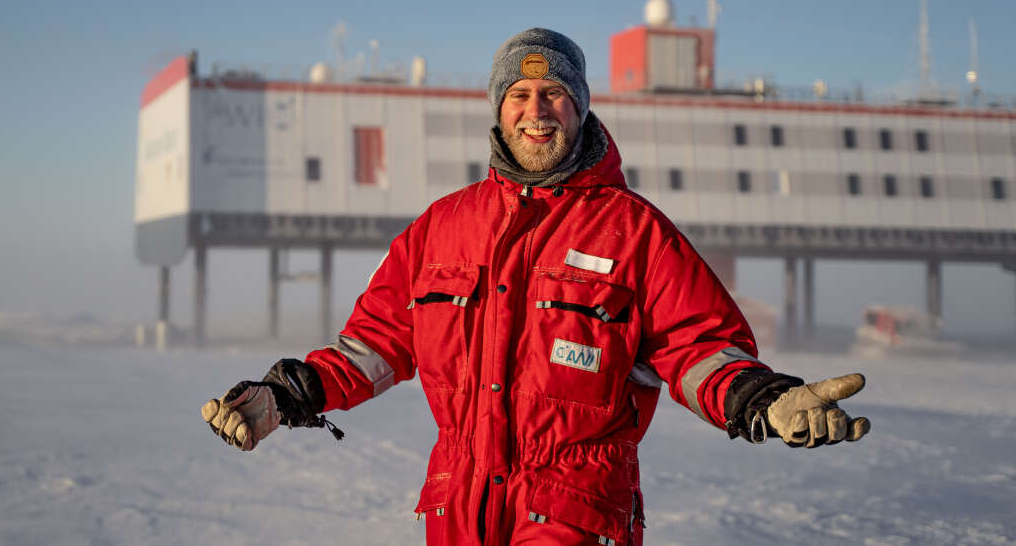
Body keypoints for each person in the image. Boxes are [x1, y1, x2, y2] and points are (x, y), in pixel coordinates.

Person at [202, 28, 870, 545]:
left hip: (576, 511)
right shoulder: (442, 227)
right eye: (519, 96)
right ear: (499, 111)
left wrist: (763, 397)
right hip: (458, 509)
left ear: (579, 107)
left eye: (553, 93)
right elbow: (373, 345)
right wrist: (285, 395)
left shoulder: (634, 231)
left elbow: (698, 347)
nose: (536, 110)